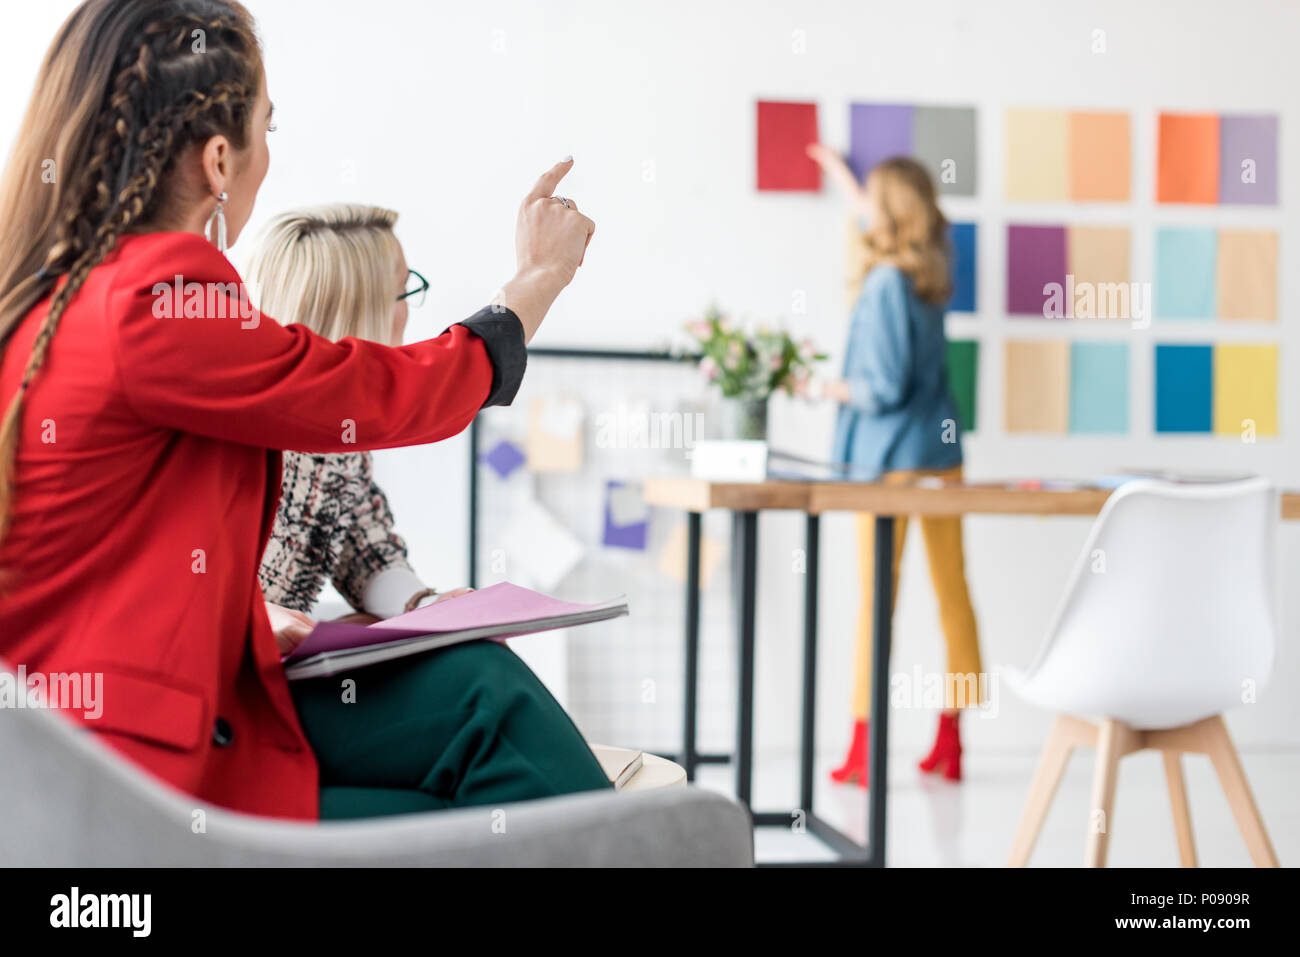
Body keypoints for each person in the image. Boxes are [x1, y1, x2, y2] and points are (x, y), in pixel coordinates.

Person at [0, 0, 605, 821]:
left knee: (477, 692)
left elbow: (99, 562)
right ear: (219, 159)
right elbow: (367, 392)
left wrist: (253, 615)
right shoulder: (158, 290)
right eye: (266, 130)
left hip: (95, 743)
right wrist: (532, 287)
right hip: (136, 781)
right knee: (485, 723)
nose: (265, 158)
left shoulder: (50, 300)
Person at [806, 146, 984, 786]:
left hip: (890, 468)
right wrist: (849, 182)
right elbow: (883, 220)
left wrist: (820, 387)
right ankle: (951, 740)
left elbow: (880, 387)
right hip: (943, 459)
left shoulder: (883, 283)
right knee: (953, 597)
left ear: (887, 214)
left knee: (875, 604)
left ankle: (863, 748)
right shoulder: (932, 270)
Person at [246, 205, 470, 643]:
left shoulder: (343, 433)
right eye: (404, 293)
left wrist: (423, 605)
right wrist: (248, 614)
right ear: (361, 310)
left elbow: (364, 545)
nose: (409, 314)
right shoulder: (236, 428)